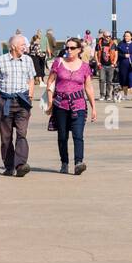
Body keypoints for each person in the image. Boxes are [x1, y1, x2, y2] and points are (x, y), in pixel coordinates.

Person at [45, 35, 97, 174]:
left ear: (79, 50)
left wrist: (93, 108)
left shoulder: (85, 67)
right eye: (67, 47)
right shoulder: (58, 62)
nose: (69, 50)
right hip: (60, 104)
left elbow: (89, 87)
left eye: (72, 48)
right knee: (62, 136)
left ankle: (78, 163)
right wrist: (50, 101)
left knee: (78, 135)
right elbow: (49, 82)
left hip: (78, 104)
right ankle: (64, 162)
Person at [0, 33, 36, 177]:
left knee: (22, 134)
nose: (25, 48)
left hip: (23, 102)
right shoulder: (1, 60)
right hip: (6, 101)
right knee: (6, 137)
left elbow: (31, 79)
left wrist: (30, 97)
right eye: (22, 45)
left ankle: (20, 165)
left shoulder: (28, 60)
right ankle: (9, 166)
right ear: (13, 46)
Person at [115, 30, 132, 101]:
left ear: (131, 37)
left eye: (127, 36)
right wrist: (124, 55)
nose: (126, 37)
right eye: (125, 36)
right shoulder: (120, 44)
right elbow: (117, 55)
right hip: (123, 65)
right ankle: (125, 95)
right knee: (124, 79)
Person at [96, 34, 117, 102]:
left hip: (110, 65)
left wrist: (114, 63)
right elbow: (96, 53)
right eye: (106, 36)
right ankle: (102, 95)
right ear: (103, 37)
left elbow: (116, 54)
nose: (108, 37)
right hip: (102, 65)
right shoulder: (99, 44)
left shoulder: (113, 44)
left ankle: (108, 95)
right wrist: (97, 62)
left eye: (109, 36)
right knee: (102, 80)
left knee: (109, 81)